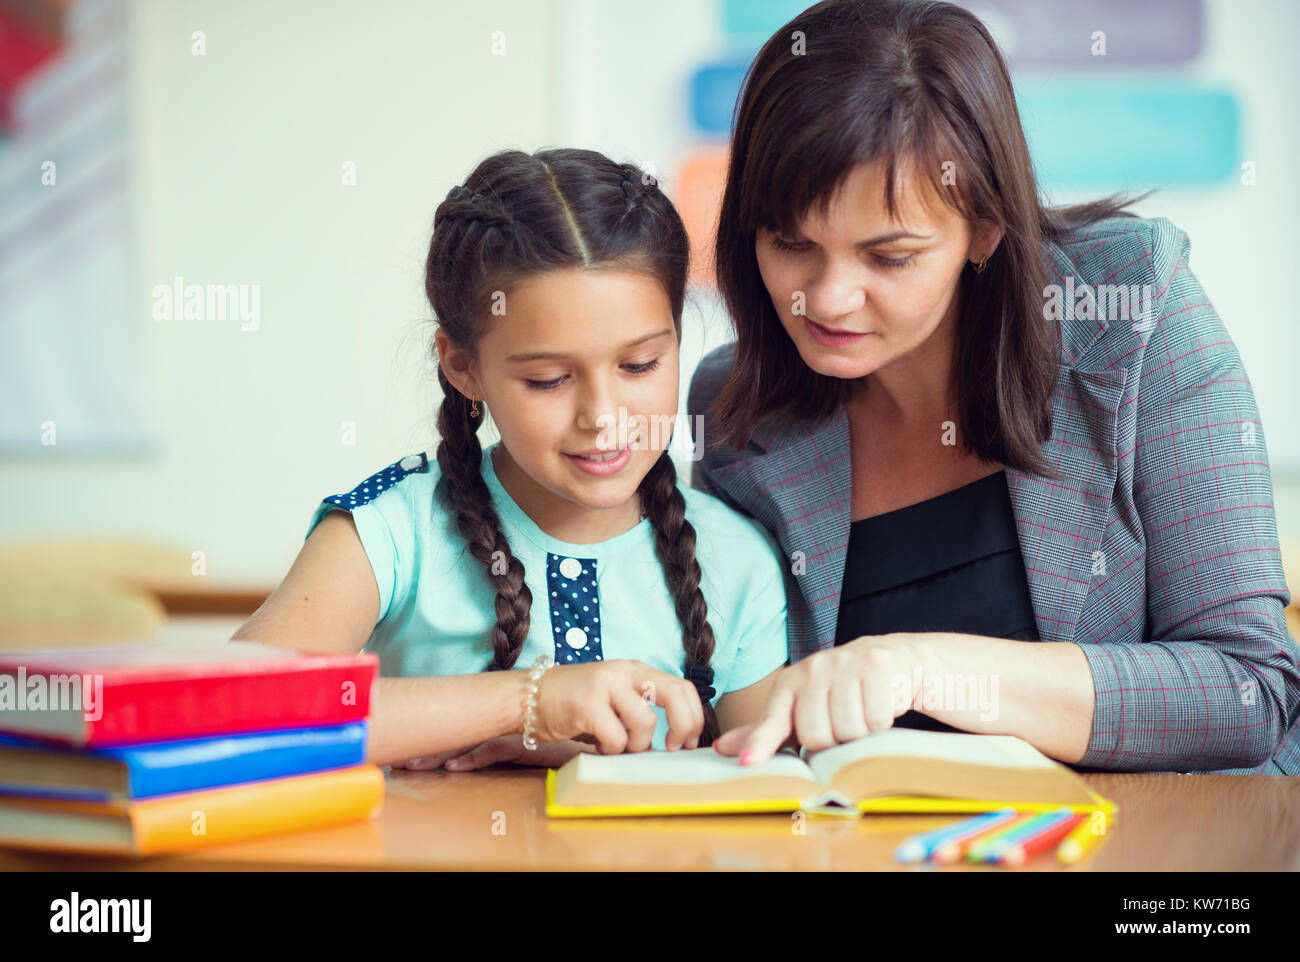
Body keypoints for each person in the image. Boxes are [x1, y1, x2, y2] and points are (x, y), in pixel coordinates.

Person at [690, 0, 1300, 773]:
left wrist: (924, 668)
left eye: (890, 256)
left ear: (985, 226)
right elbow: (736, 688)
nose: (828, 297)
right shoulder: (733, 408)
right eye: (791, 243)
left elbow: (1249, 691)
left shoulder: (1132, 305)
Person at [234, 148, 789, 770]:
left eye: (639, 365)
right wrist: (523, 702)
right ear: (463, 367)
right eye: (549, 379)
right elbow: (232, 712)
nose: (603, 416)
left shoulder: (739, 560)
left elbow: (769, 801)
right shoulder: (388, 533)